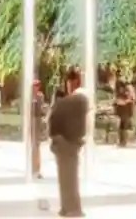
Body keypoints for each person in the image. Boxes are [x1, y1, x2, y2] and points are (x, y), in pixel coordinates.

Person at [48, 66, 89, 218]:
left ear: (74, 82)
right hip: (67, 141)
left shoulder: (78, 99)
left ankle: (72, 208)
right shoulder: (75, 99)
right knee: (66, 177)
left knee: (68, 177)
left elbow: (57, 112)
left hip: (67, 141)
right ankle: (67, 206)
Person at [29, 79, 47, 178]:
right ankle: (32, 168)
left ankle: (37, 169)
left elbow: (41, 110)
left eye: (37, 85)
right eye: (34, 86)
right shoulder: (29, 97)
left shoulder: (40, 96)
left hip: (37, 121)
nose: (36, 87)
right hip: (31, 121)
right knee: (32, 146)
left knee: (37, 146)